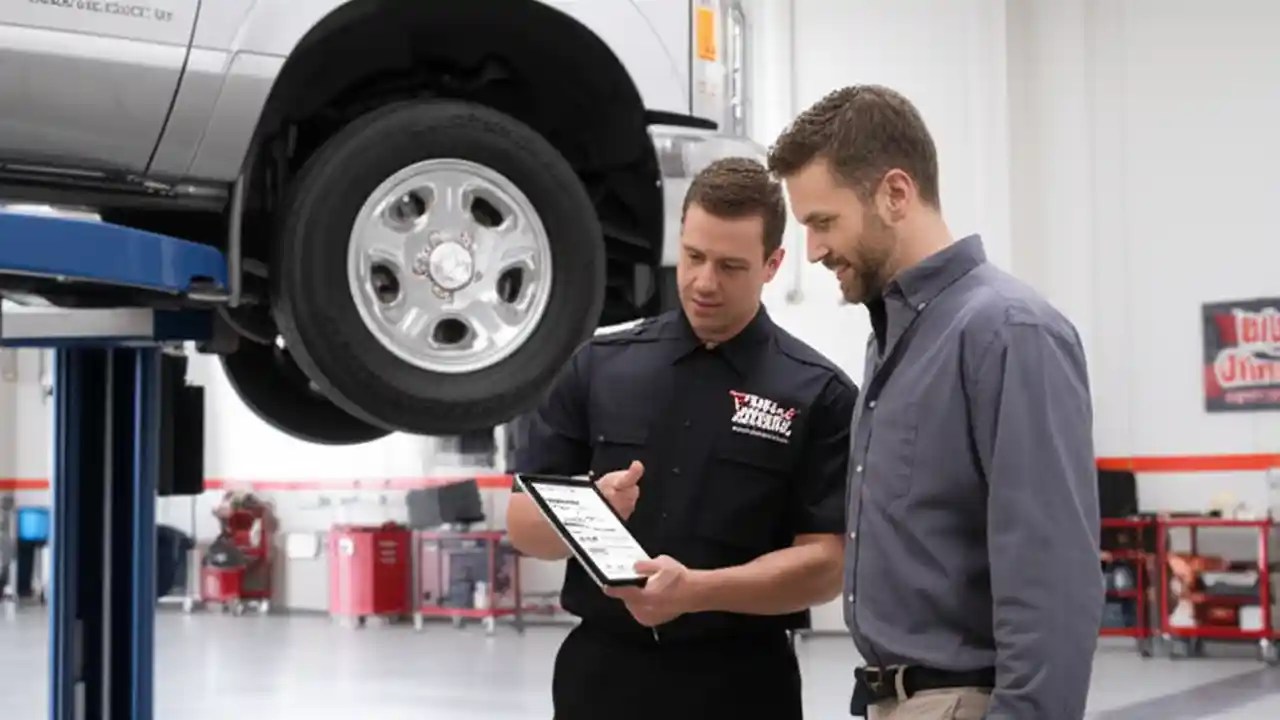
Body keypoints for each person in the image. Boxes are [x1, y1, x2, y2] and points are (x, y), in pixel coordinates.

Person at [767, 85, 1103, 720]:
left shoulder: (1007, 332)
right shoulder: (893, 341)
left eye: (823, 222)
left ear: (895, 194)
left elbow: (1052, 579)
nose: (811, 250)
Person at [506, 157, 859, 720]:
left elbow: (825, 565)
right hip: (600, 682)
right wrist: (589, 510)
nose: (704, 283)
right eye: (693, 257)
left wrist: (697, 590)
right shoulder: (598, 366)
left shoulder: (819, 395)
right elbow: (523, 527)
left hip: (741, 685)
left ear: (772, 264)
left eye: (731, 266)